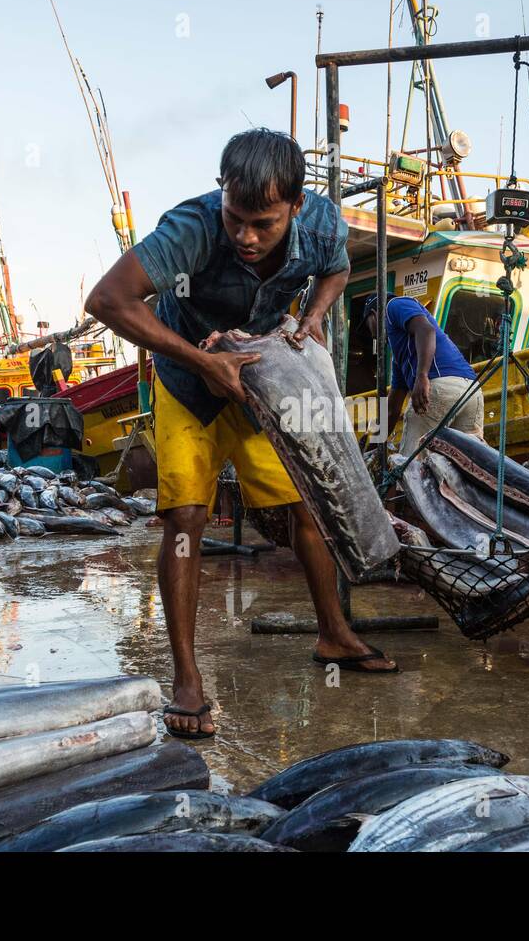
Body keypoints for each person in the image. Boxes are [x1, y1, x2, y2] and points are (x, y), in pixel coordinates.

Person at [85, 128, 398, 741]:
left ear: (297, 207)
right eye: (236, 219)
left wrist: (309, 320)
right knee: (187, 520)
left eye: (264, 223)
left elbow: (336, 271)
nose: (246, 237)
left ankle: (333, 635)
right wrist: (203, 362)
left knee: (308, 505)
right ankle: (186, 678)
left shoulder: (324, 225)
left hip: (260, 379)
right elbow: (109, 300)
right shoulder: (192, 227)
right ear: (220, 193)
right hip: (189, 382)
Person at [363, 294, 485, 451]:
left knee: (411, 465)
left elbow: (426, 330)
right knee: (468, 464)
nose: (372, 335)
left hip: (439, 386)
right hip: (472, 392)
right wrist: (371, 449)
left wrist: (422, 376)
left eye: (368, 325)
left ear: (373, 314)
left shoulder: (393, 305)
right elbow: (392, 410)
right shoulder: (402, 357)